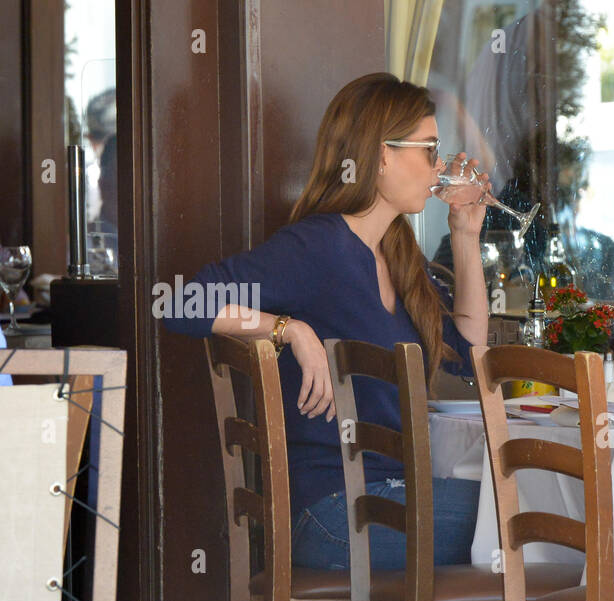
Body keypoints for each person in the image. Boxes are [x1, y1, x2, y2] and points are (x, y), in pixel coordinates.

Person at [165, 73, 490, 568]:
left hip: (387, 498)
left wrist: (466, 235)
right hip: (332, 514)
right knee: (526, 515)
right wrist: (287, 329)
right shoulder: (319, 247)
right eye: (428, 149)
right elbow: (181, 303)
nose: (439, 166)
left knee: (527, 511)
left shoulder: (398, 255)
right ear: (383, 156)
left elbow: (470, 351)